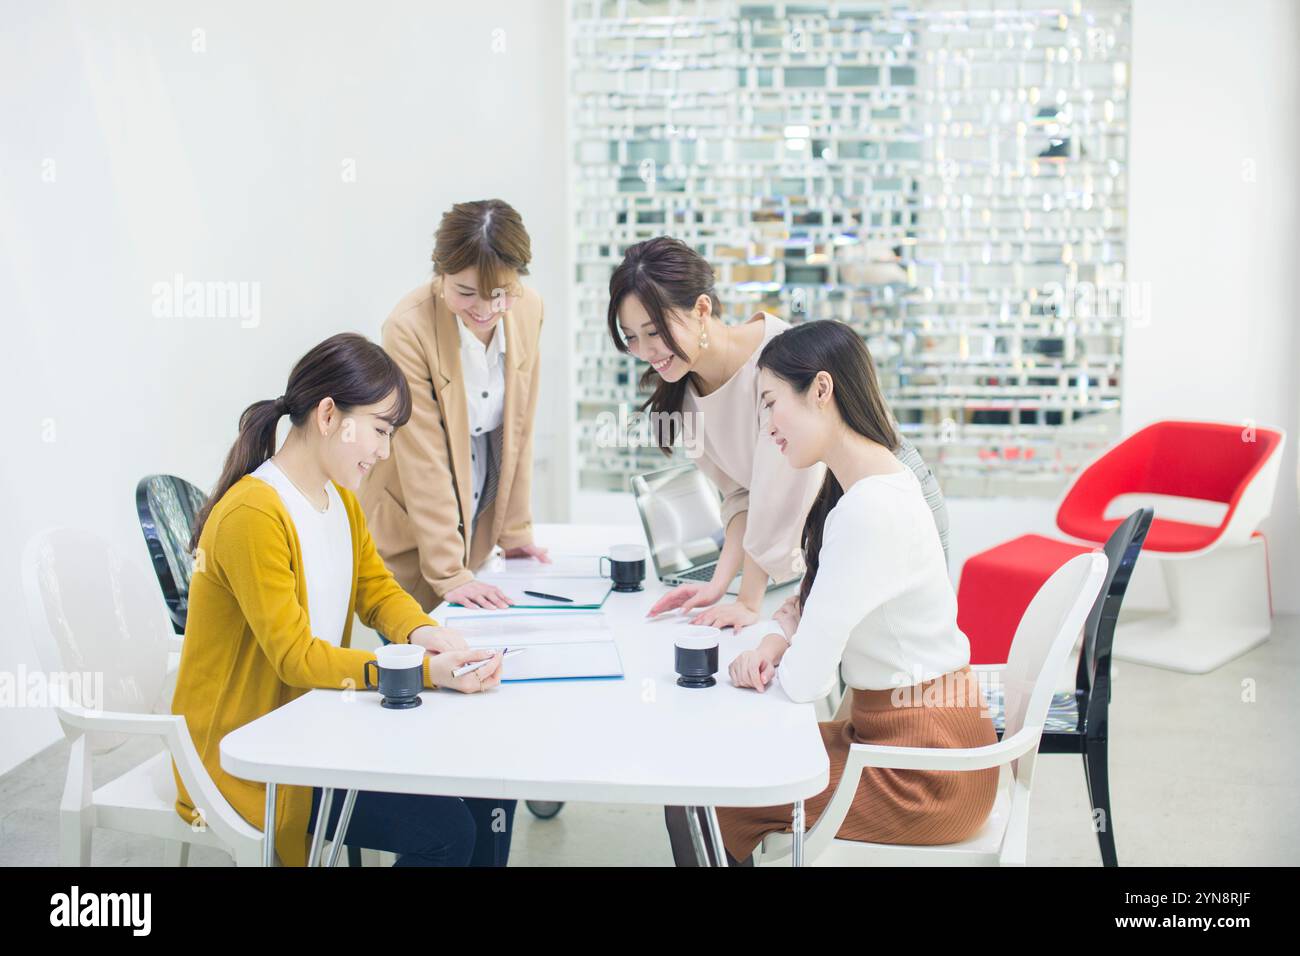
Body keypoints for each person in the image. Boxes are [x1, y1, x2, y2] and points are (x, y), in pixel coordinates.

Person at [172, 332, 512, 866]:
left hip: (314, 728)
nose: (385, 450)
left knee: (492, 787)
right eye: (380, 430)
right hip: (248, 757)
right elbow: (294, 657)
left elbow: (376, 593)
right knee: (448, 831)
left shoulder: (340, 503)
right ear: (329, 415)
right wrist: (420, 670)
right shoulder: (254, 515)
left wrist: (431, 635)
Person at [665, 320, 997, 865]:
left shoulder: (869, 509)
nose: (768, 427)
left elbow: (805, 682)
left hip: (927, 771)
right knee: (713, 775)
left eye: (772, 404)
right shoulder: (872, 485)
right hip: (911, 739)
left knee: (705, 792)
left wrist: (775, 650)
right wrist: (776, 640)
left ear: (821, 389)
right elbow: (811, 611)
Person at [606, 236, 950, 636]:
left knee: (898, 653)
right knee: (844, 660)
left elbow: (778, 493)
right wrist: (718, 585)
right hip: (826, 523)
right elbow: (742, 496)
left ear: (702, 308)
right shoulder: (681, 394)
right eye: (631, 337)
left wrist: (748, 600)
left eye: (655, 331)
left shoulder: (772, 358)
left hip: (884, 499)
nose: (646, 351)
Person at [360, 199, 549, 612]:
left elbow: (519, 428)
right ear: (440, 274)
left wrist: (514, 533)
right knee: (425, 662)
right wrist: (448, 572)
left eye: (500, 294)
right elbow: (422, 456)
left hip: (475, 524)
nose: (484, 310)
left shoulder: (529, 308)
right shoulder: (407, 328)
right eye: (465, 292)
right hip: (411, 529)